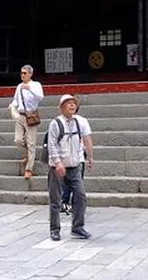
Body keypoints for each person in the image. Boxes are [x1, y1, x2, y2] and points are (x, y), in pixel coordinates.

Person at [46, 94, 93, 242]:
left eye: (74, 103)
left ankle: (77, 227)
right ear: (62, 107)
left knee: (80, 195)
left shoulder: (78, 123)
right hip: (57, 167)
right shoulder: (56, 123)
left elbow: (84, 140)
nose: (72, 105)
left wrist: (89, 157)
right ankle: (55, 229)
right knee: (56, 199)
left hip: (74, 166)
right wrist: (57, 162)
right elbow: (51, 144)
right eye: (69, 103)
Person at [8, 65, 43, 179]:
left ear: (30, 74)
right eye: (21, 73)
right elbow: (16, 100)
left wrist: (29, 89)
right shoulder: (19, 86)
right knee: (18, 140)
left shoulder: (36, 85)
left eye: (25, 73)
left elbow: (40, 97)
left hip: (31, 115)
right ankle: (27, 155)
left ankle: (29, 169)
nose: (22, 75)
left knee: (31, 142)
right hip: (21, 115)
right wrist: (13, 106)